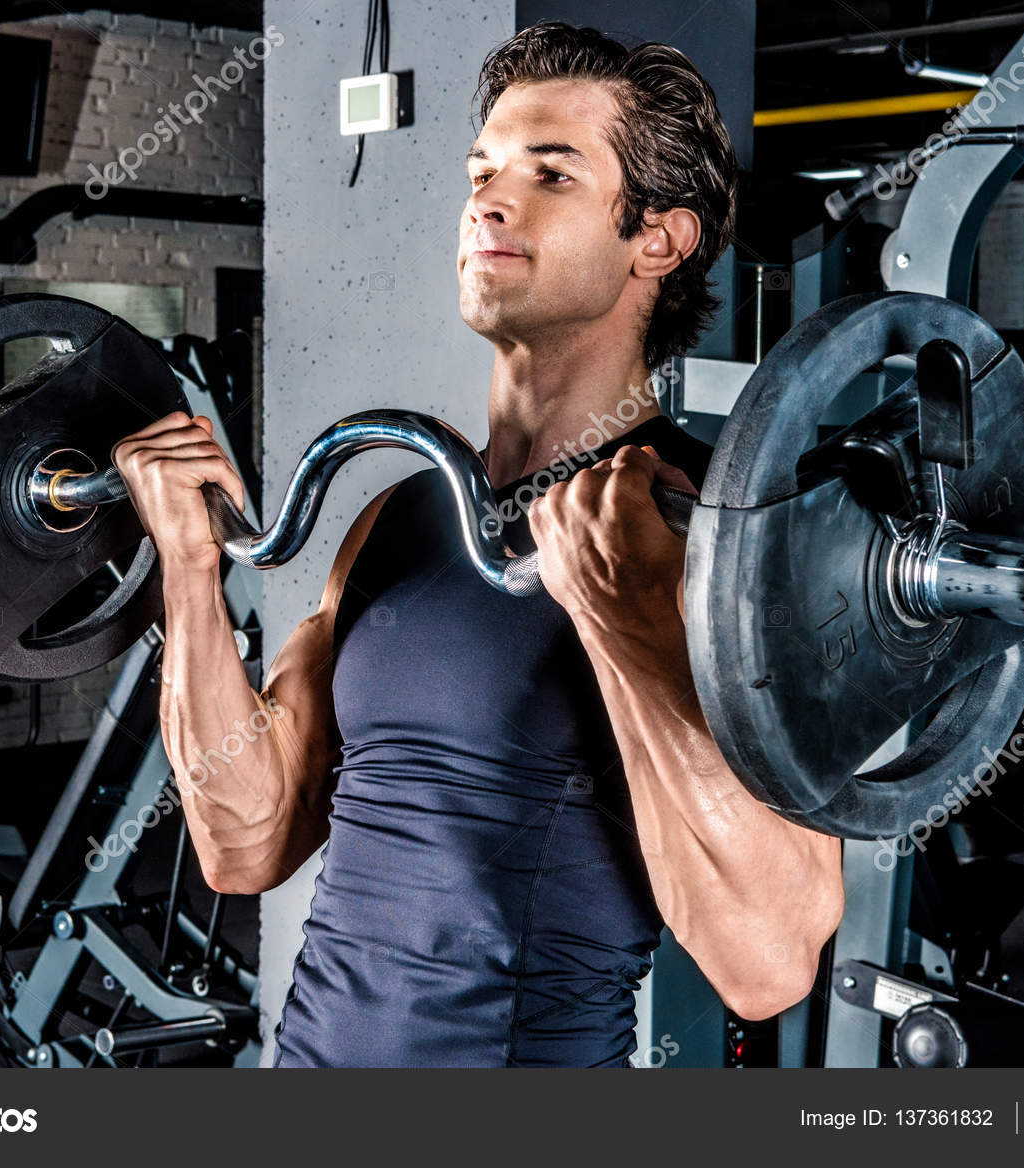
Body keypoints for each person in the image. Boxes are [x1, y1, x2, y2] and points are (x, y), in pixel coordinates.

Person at [114, 22, 843, 1068]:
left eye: (552, 173)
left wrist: (624, 619)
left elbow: (765, 963)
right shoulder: (401, 513)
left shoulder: (710, 533)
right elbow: (245, 843)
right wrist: (186, 574)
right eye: (483, 169)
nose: (488, 200)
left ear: (659, 241)